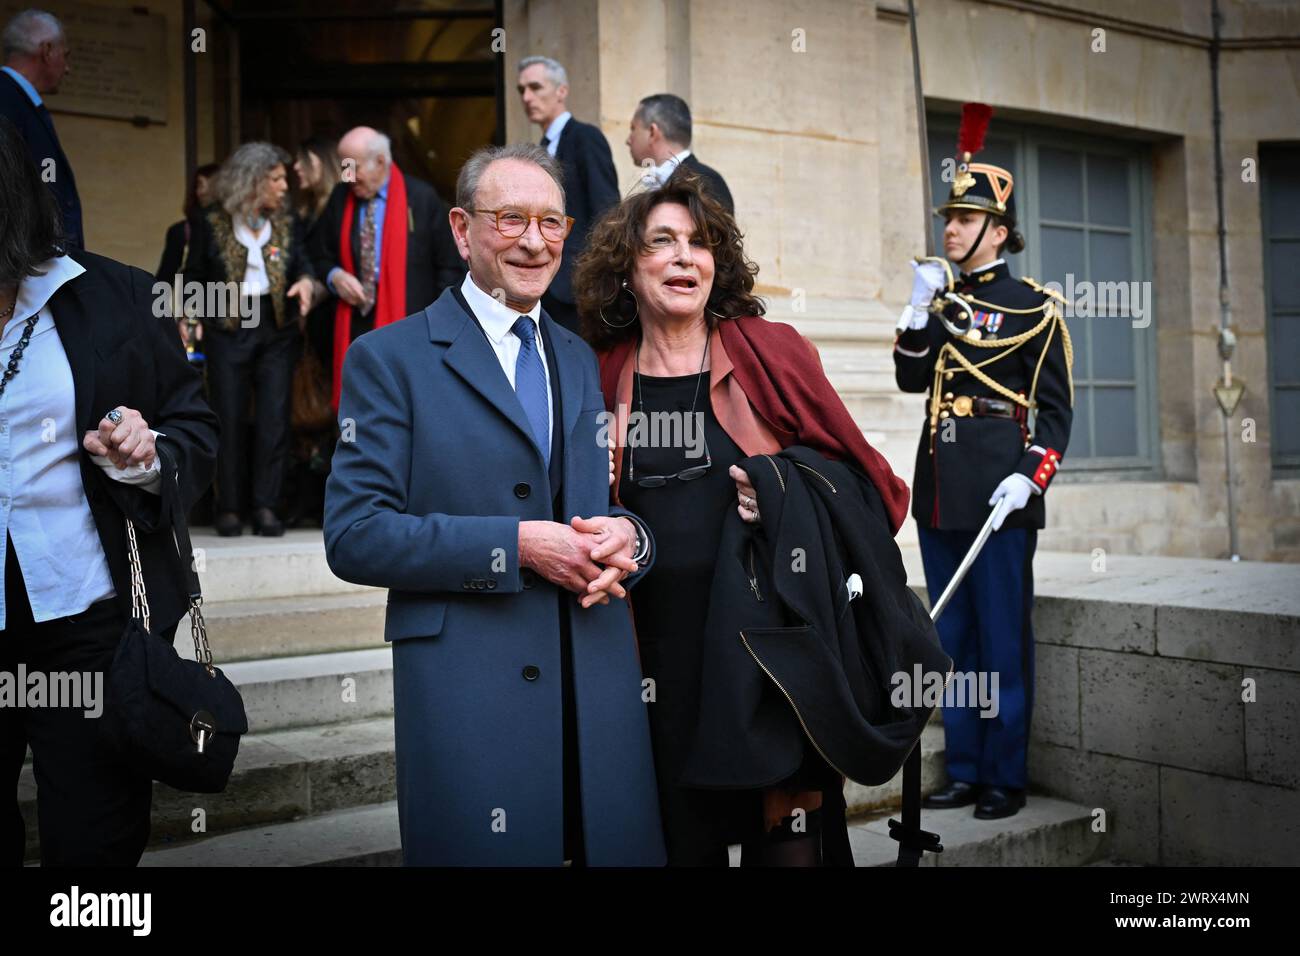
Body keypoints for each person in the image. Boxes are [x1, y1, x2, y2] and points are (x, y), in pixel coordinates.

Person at [323, 143, 664, 867]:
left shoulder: (577, 355)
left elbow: (596, 505)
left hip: (591, 682)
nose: (534, 242)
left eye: (551, 223)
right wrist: (516, 545)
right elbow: (355, 534)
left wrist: (629, 540)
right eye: (511, 219)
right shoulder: (389, 359)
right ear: (460, 228)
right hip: (470, 691)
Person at [575, 171, 911, 865]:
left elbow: (875, 487)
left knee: (787, 837)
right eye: (661, 242)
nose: (683, 257)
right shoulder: (600, 373)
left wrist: (786, 490)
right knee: (680, 835)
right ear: (627, 270)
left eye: (699, 244)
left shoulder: (770, 352)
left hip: (770, 651)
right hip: (655, 653)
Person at [0, 117, 218, 866]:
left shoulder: (118, 297)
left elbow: (196, 426)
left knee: (93, 844)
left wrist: (148, 454)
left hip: (85, 624)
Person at [893, 103, 1074, 820]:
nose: (951, 229)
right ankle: (964, 766)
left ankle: (1004, 776)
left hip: (1001, 488)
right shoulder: (941, 299)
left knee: (1002, 639)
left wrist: (1029, 475)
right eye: (949, 219)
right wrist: (915, 314)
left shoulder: (1036, 307)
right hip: (941, 487)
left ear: (998, 230)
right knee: (953, 640)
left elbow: (1057, 413)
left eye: (965, 220)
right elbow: (912, 381)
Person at [184, 142, 323, 537]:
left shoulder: (287, 220)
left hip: (276, 325)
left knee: (273, 419)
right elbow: (192, 274)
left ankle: (266, 506)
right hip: (228, 323)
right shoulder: (212, 219)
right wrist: (190, 315)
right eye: (276, 179)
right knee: (226, 416)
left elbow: (305, 265)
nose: (284, 186)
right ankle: (229, 507)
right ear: (254, 179)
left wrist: (306, 283)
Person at [315, 126, 464, 409]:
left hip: (412, 327)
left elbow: (448, 268)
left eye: (353, 167)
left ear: (381, 162)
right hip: (355, 327)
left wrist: (436, 324)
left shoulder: (421, 199)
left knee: (408, 407)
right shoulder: (340, 198)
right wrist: (335, 277)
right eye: (343, 166)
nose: (347, 175)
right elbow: (318, 255)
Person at [517, 55, 618, 334]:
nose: (526, 97)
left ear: (561, 91)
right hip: (544, 286)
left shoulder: (586, 137)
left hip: (578, 290)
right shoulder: (539, 148)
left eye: (535, 87)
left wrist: (596, 280)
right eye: (522, 90)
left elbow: (607, 212)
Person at [0, 9, 82, 248]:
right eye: (65, 55)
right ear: (46, 51)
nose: (67, 69)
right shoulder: (6, 99)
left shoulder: (19, 101)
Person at [627, 93, 733, 214]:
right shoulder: (653, 182)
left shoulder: (706, 181)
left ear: (652, 132)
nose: (628, 140)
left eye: (633, 128)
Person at [155, 162, 219, 285]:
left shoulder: (240, 229)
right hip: (195, 300)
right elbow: (165, 277)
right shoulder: (182, 231)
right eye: (199, 185)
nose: (202, 191)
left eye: (208, 184)